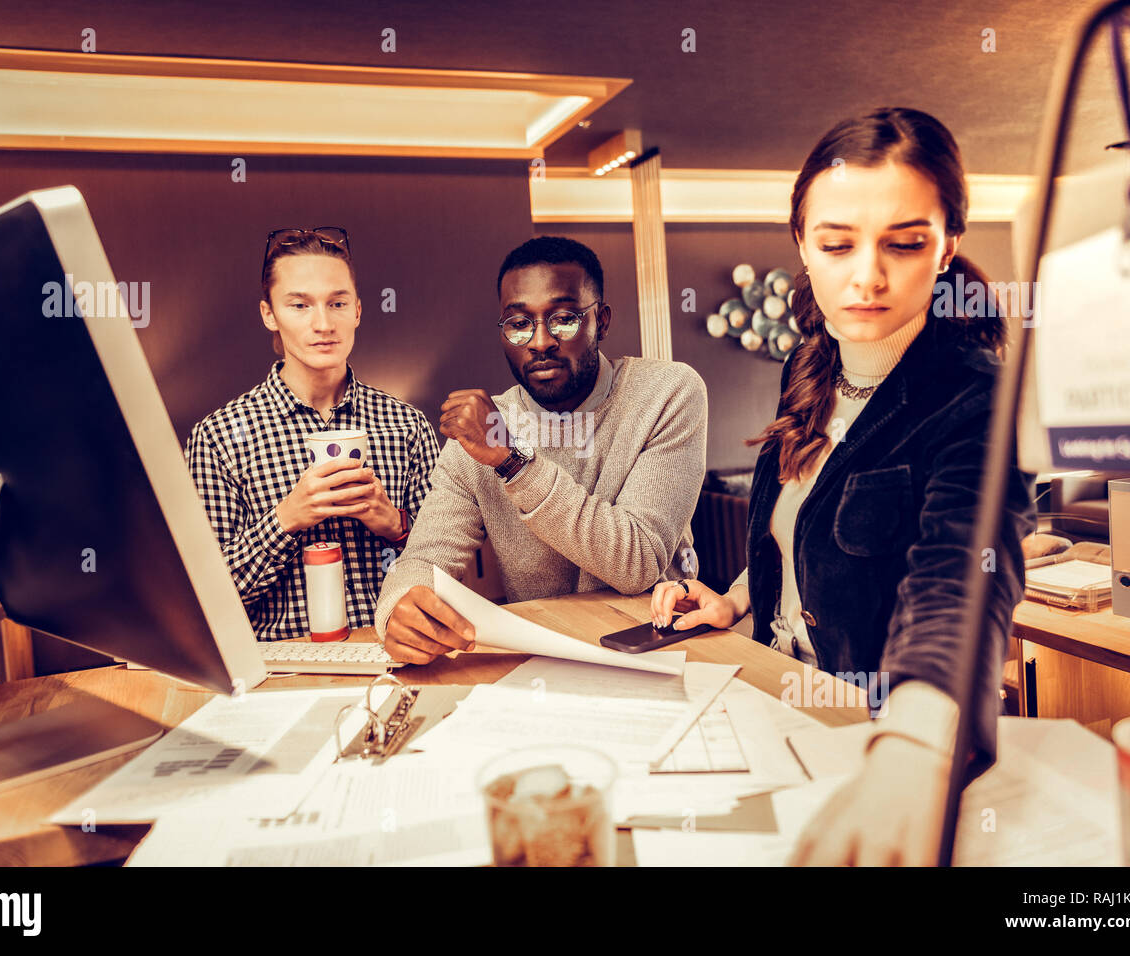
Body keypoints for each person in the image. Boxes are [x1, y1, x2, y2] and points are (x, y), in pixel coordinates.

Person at [652, 108, 1036, 865]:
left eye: (905, 243)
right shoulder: (812, 365)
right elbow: (804, 530)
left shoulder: (979, 399)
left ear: (948, 243)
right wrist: (730, 600)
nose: (867, 276)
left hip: (883, 732)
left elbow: (959, 582)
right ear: (801, 243)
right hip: (775, 702)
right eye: (836, 244)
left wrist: (914, 754)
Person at [374, 236, 707, 661]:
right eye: (519, 323)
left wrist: (514, 461)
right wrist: (397, 608)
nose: (541, 340)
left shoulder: (667, 392)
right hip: (546, 658)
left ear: (601, 321)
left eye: (564, 319)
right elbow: (425, 557)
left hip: (659, 649)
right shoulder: (482, 432)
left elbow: (637, 562)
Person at [186, 227, 439, 638]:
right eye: (300, 305)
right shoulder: (217, 438)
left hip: (395, 655)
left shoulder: (406, 425)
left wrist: (394, 523)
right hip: (283, 669)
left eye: (337, 303)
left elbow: (448, 572)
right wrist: (286, 519)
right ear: (270, 314)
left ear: (357, 310)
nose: (323, 323)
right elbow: (206, 599)